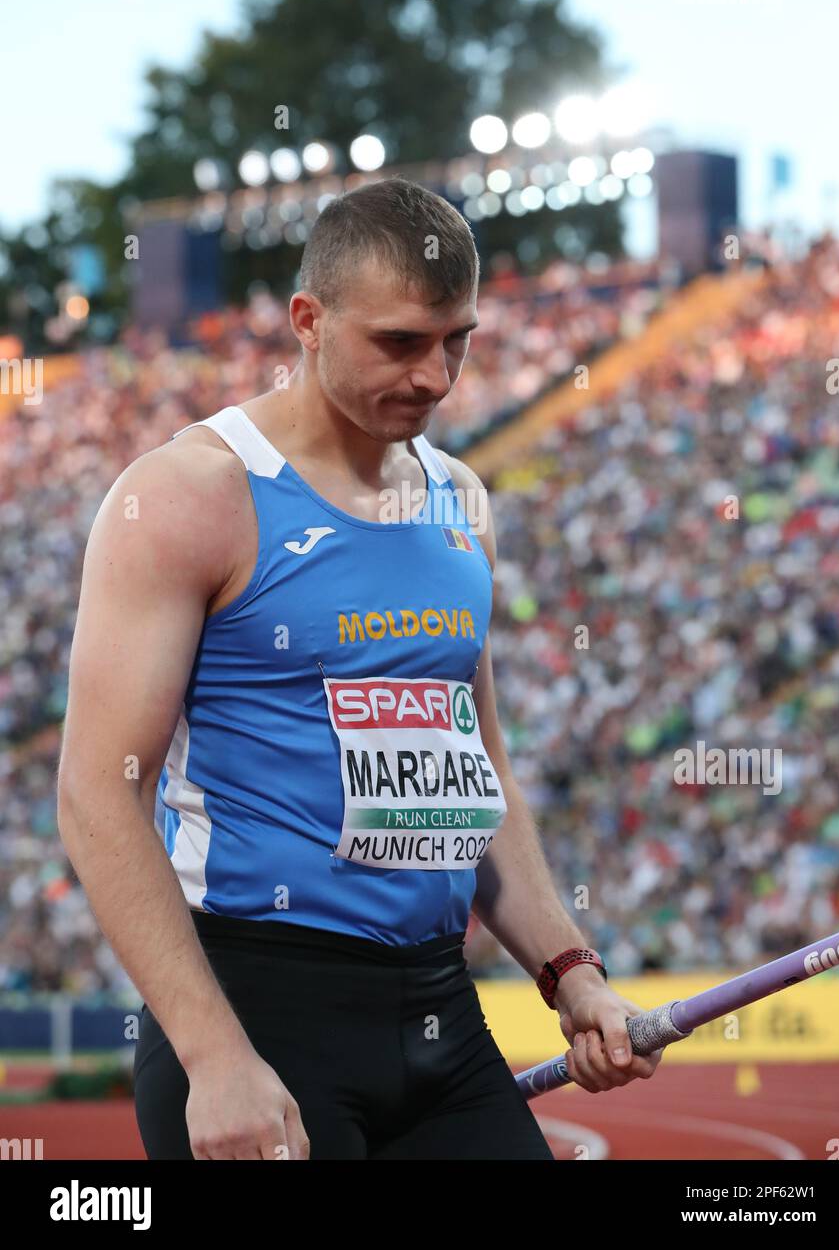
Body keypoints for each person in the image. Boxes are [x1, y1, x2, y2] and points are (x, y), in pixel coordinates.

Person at [57, 176, 662, 1161]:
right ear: (308, 319)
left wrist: (570, 972)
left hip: (436, 1005)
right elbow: (94, 791)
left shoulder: (460, 501)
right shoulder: (191, 494)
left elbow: (481, 781)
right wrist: (214, 1058)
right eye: (397, 342)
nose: (433, 376)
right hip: (255, 1003)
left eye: (454, 339)